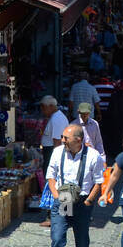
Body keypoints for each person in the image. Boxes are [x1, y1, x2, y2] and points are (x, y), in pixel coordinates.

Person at [44, 124, 105, 247]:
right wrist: (57, 197)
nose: (62, 140)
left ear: (78, 140)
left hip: (82, 201)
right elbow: (51, 176)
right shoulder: (58, 152)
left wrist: (88, 202)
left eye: (65, 138)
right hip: (63, 199)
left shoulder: (93, 156)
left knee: (82, 242)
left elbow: (99, 182)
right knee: (57, 239)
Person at [38, 96, 70, 228]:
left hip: (54, 155)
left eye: (43, 108)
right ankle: (62, 216)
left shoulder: (57, 118)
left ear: (50, 106)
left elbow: (57, 142)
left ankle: (54, 217)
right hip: (53, 154)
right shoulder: (56, 117)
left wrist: (55, 162)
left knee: (55, 185)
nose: (42, 111)